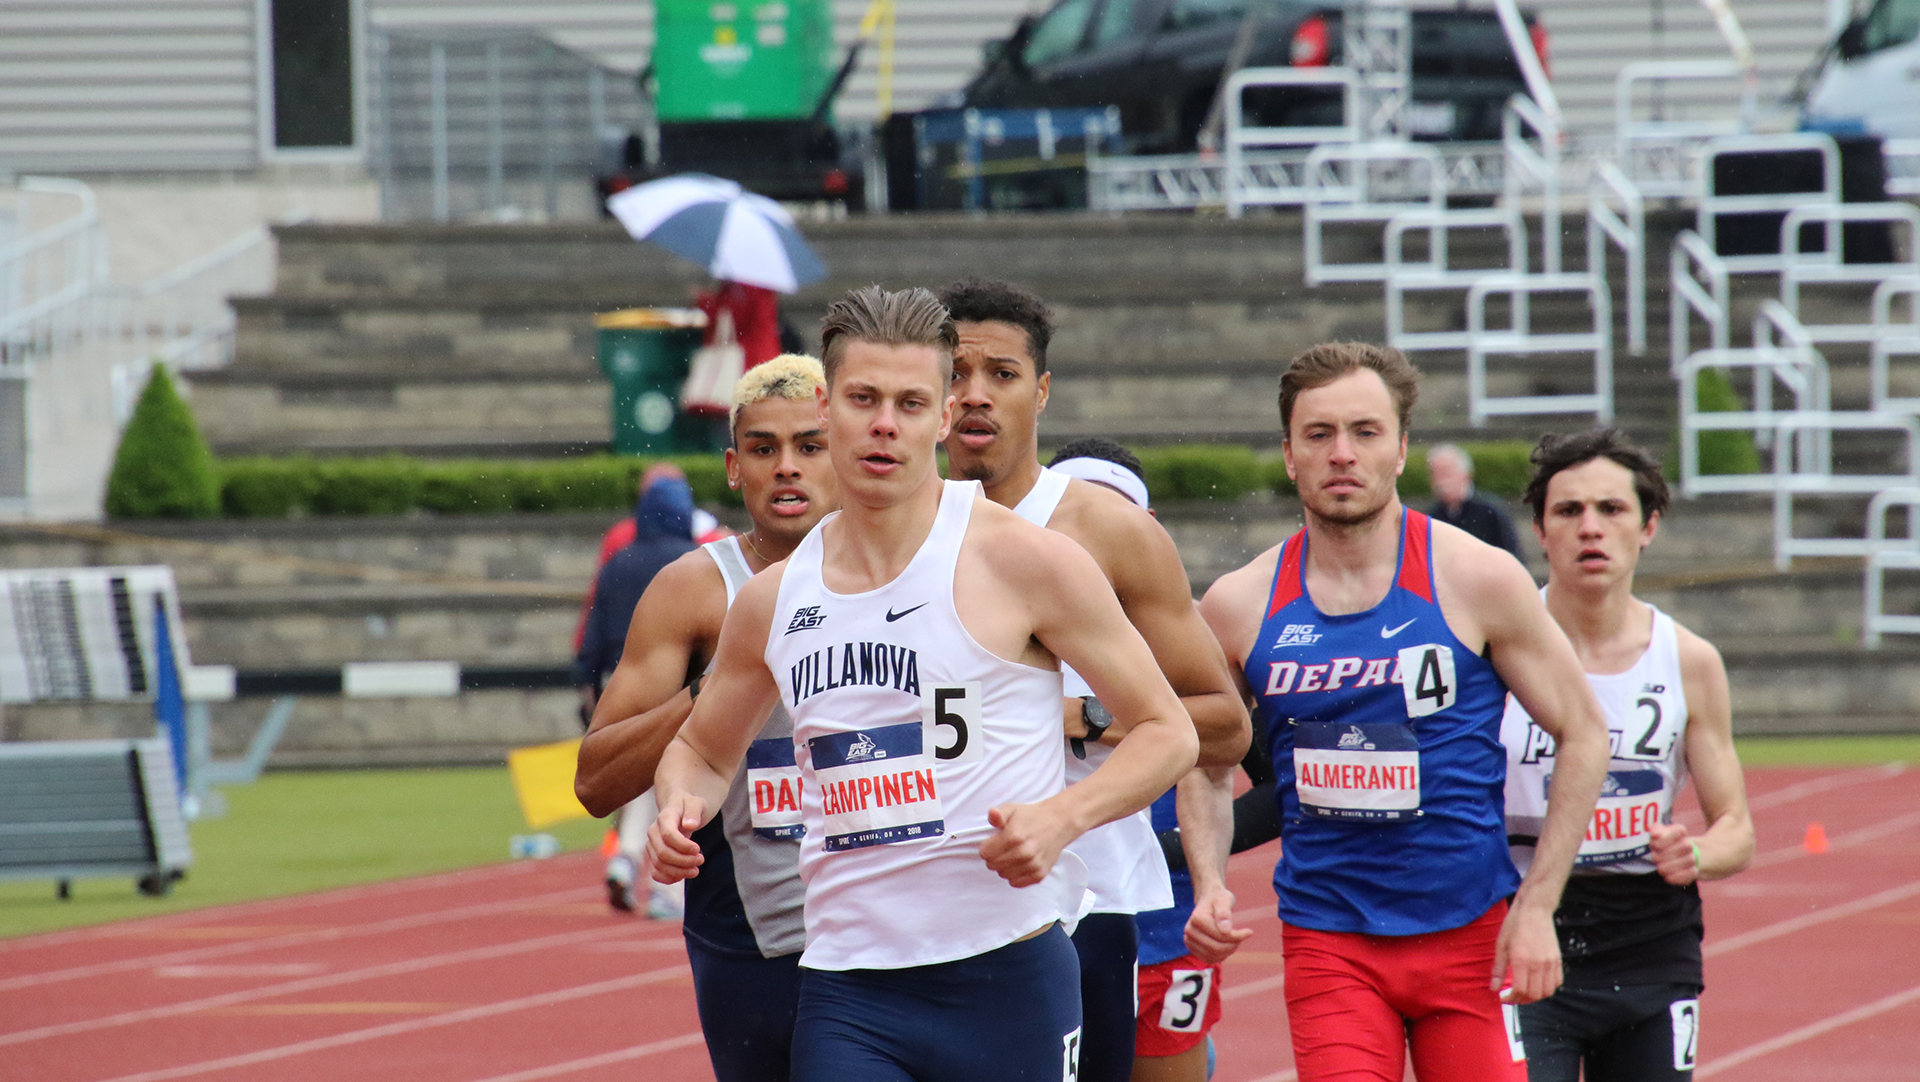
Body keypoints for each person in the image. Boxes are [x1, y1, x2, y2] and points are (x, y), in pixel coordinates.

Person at [648, 285, 1199, 1082]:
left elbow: (1170, 730)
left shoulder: (1022, 561)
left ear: (942, 417)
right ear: (826, 405)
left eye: (910, 403)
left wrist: (1061, 818)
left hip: (1005, 976)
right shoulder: (774, 599)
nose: (884, 424)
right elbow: (701, 748)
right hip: (846, 985)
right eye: (863, 398)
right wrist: (679, 808)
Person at [1197, 341, 1611, 1082]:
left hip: (1470, 936)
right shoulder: (1240, 602)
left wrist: (1539, 905)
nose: (1342, 454)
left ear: (1401, 449)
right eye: (1319, 435)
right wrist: (1207, 884)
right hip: (1330, 940)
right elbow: (1204, 754)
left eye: (1365, 431)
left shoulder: (1477, 578)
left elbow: (1582, 731)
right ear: (1290, 456)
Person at [938, 279, 1251, 1082]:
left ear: (1041, 391)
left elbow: (1223, 723)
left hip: (1086, 896)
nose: (975, 394)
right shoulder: (885, 530)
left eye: (1001, 375)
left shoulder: (1105, 530)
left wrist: (1081, 717)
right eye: (955, 372)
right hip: (925, 898)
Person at [575, 354, 839, 1081]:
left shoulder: (909, 575)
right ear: (732, 466)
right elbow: (596, 779)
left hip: (888, 934)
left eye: (810, 446)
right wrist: (717, 688)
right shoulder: (693, 590)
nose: (787, 468)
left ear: (845, 451)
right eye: (764, 449)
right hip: (749, 947)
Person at [1502, 428, 1754, 1082]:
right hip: (1522, 931)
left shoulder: (1690, 662)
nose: (1591, 528)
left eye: (1611, 509)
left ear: (1648, 527)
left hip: (1649, 943)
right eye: (1569, 511)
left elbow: (1737, 828)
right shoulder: (1495, 652)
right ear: (1540, 530)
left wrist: (1696, 852)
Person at [573, 465, 700, 916]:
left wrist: (586, 683)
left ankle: (625, 859)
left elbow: (591, 631)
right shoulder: (695, 562)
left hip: (618, 682)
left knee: (633, 779)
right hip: (678, 687)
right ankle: (668, 890)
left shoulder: (617, 561)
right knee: (677, 780)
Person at [1428, 443, 1524, 561]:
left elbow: (1513, 556)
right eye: (1435, 474)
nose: (1441, 482)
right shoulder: (1433, 517)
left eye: (1447, 473)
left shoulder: (1490, 510)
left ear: (1466, 474)